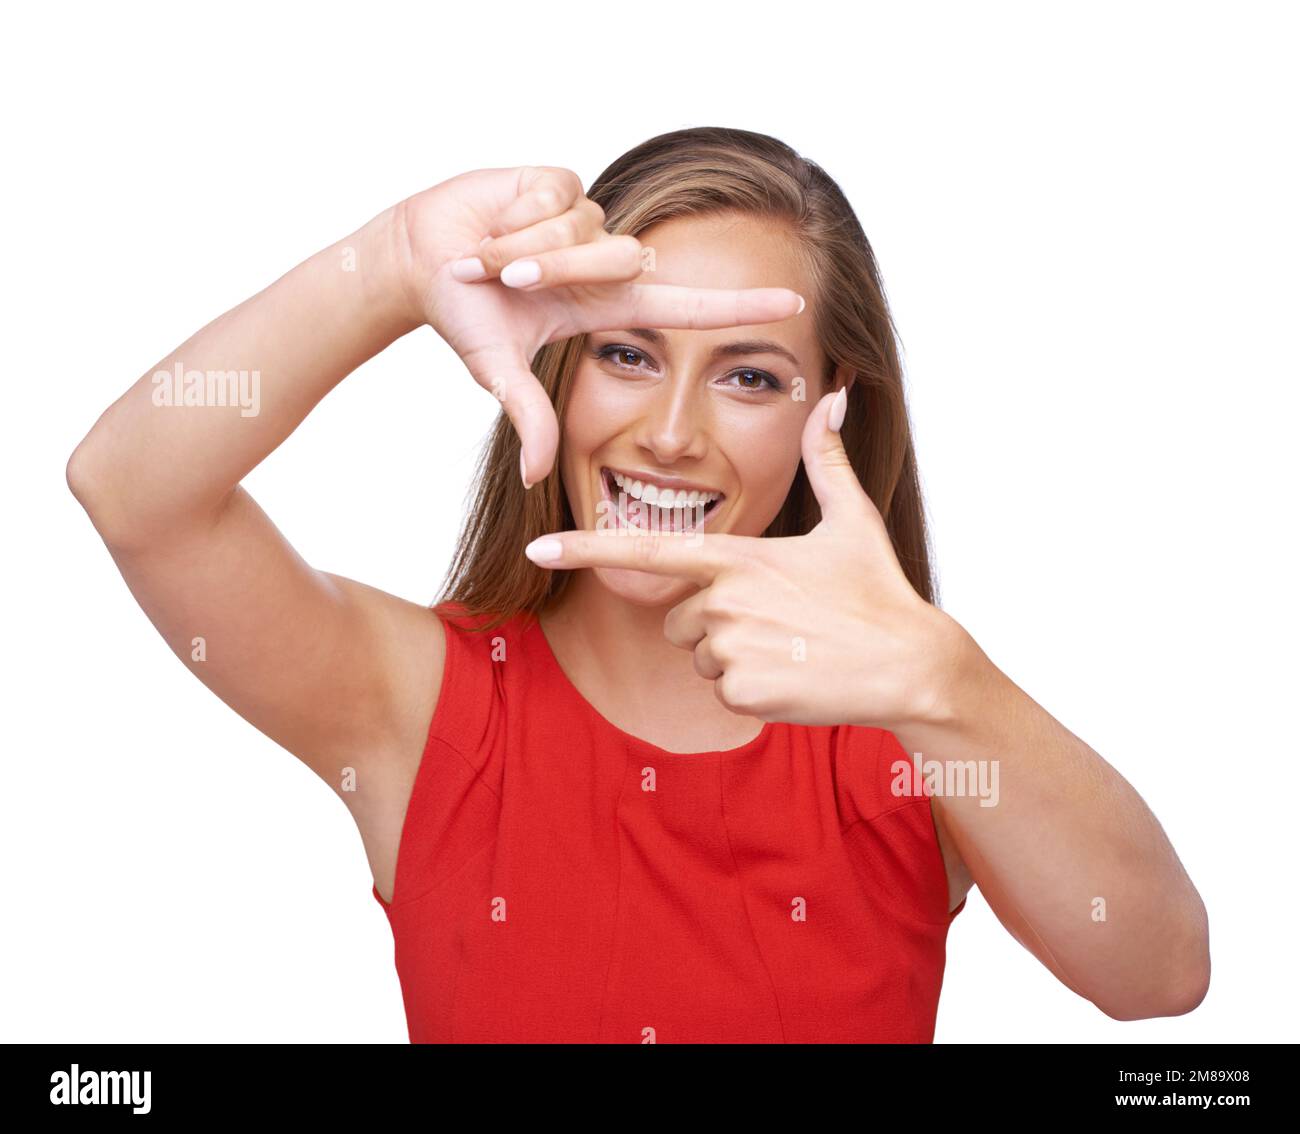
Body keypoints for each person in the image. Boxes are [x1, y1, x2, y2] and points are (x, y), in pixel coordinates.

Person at [67, 126, 1210, 1043]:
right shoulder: (417, 707)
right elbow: (131, 487)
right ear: (555, 363)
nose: (668, 434)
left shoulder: (912, 724)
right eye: (626, 352)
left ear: (831, 415)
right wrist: (395, 268)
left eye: (748, 378)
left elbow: (1157, 978)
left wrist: (945, 680)